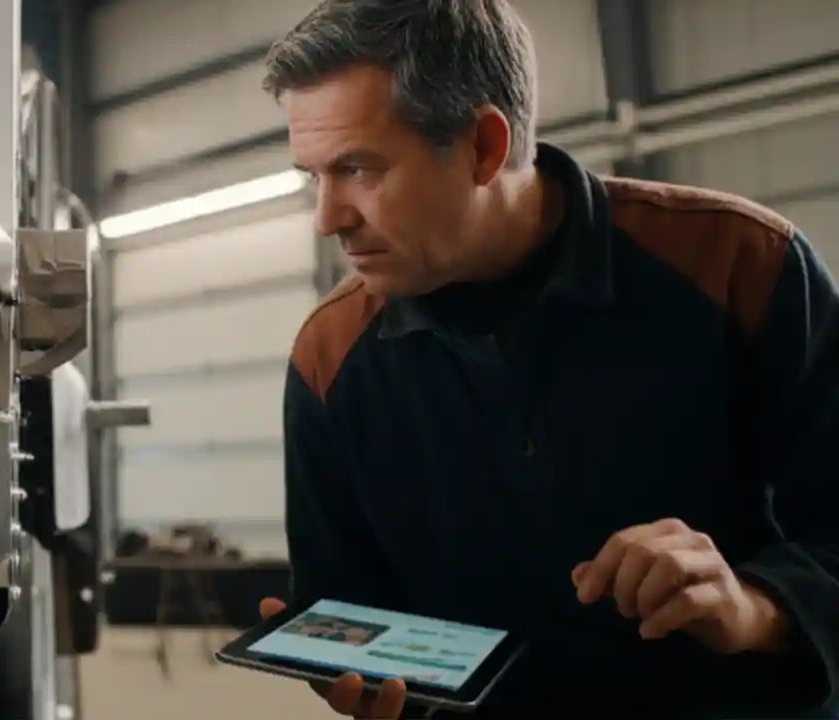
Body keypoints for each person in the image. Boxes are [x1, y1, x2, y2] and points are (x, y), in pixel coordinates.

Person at [256, 1, 839, 718]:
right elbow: (347, 604)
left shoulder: (739, 268)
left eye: (357, 169)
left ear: (483, 147)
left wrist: (753, 607)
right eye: (312, 176)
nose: (327, 217)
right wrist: (361, 676)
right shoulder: (328, 358)